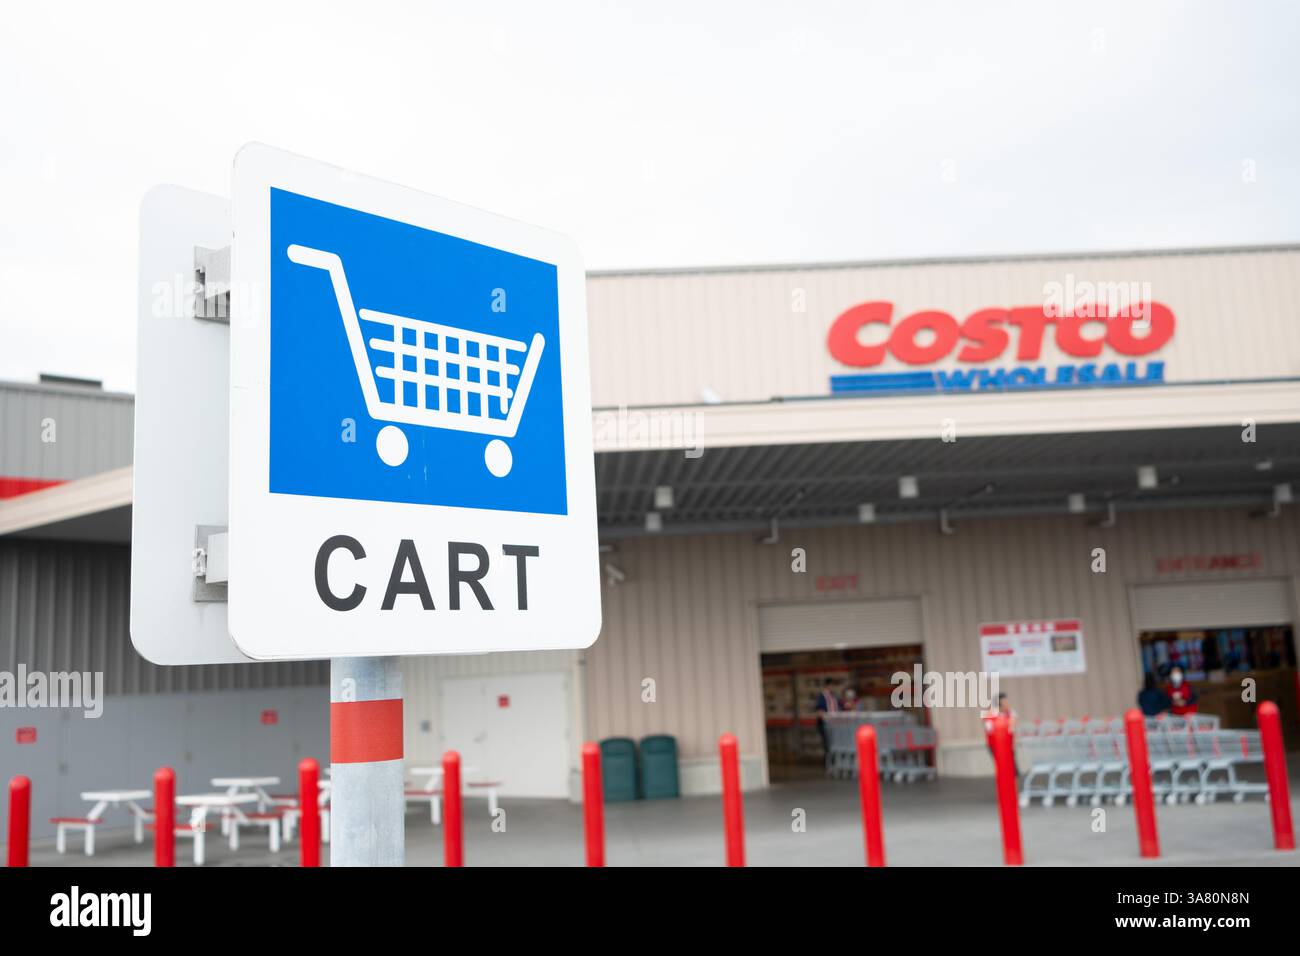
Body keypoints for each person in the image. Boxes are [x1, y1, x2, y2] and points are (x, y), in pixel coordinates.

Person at [981, 692, 1018, 775]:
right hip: (996, 746)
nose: (1007, 704)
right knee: (1002, 768)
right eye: (1004, 703)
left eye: (1007, 702)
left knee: (1012, 769)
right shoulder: (991, 715)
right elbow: (989, 729)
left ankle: (1012, 784)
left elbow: (1012, 728)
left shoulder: (1010, 713)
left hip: (1008, 745)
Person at [813, 677, 841, 769]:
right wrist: (825, 718)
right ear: (828, 685)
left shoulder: (834, 696)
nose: (833, 687)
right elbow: (819, 711)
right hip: (825, 725)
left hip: (835, 725)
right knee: (827, 744)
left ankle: (834, 762)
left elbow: (841, 706)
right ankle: (828, 764)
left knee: (834, 744)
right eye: (832, 685)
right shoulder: (822, 696)